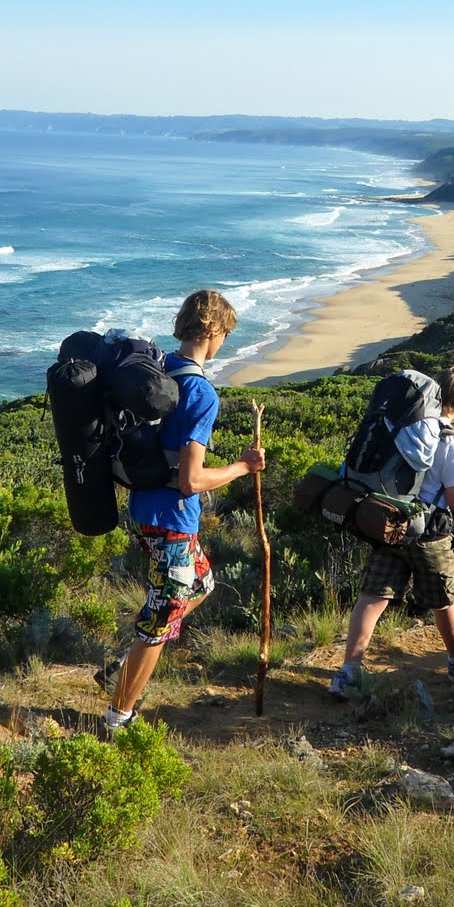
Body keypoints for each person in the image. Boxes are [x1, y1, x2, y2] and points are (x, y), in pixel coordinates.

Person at [96, 289, 265, 731]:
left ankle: (124, 665)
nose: (224, 341)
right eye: (225, 334)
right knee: (158, 622)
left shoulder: (161, 369)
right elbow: (191, 480)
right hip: (170, 521)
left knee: (201, 584)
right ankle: (117, 719)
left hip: (144, 508)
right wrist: (242, 467)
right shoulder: (200, 392)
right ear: (214, 332)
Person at [328, 365, 454, 696]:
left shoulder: (404, 428)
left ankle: (348, 672)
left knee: (373, 596)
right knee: (443, 598)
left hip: (392, 524)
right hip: (431, 534)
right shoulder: (451, 441)